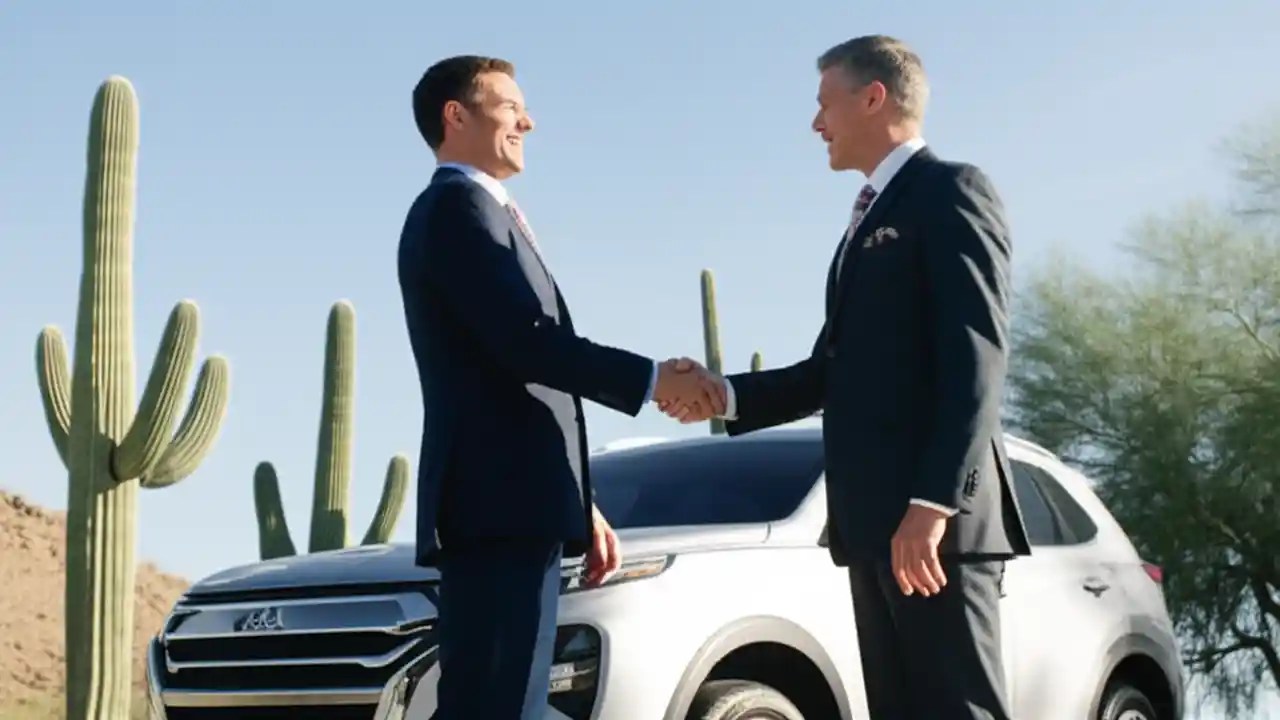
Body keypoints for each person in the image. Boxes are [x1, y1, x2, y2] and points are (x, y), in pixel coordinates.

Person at [664, 35, 1031, 719]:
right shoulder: (863, 224)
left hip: (933, 528)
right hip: (873, 526)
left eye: (824, 103)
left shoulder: (951, 191)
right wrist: (724, 393)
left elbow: (976, 358)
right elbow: (828, 372)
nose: (816, 123)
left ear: (873, 98)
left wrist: (932, 505)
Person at [397, 55, 724, 719]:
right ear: (456, 116)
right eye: (510, 107)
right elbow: (526, 343)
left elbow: (514, 376)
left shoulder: (479, 211)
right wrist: (653, 378)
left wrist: (580, 500)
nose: (528, 122)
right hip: (496, 507)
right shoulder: (457, 208)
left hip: (514, 505)